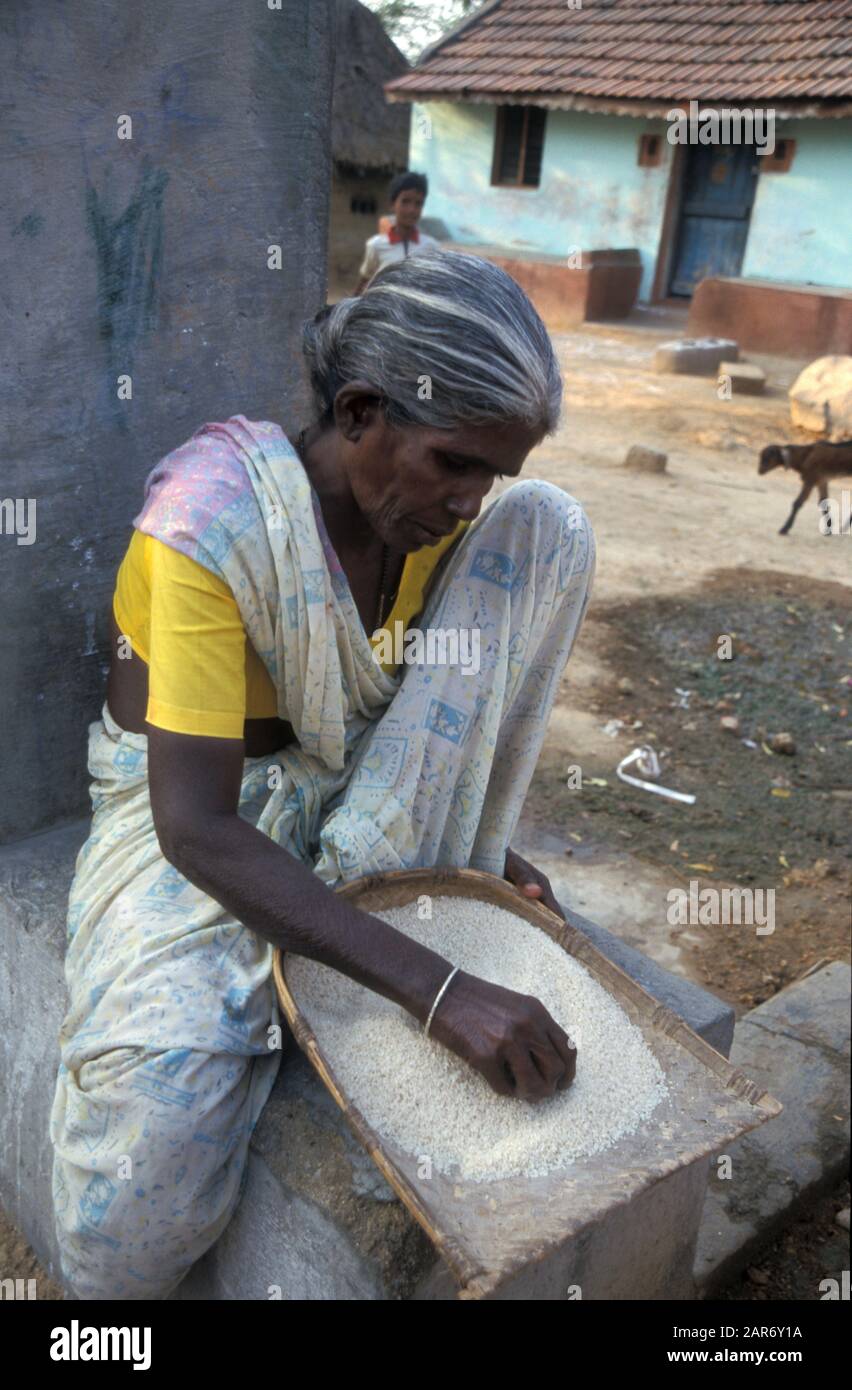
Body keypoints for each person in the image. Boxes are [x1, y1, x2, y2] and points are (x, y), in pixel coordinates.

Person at [49, 247, 596, 1300]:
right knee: (136, 1199)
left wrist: (475, 821)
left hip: (352, 775)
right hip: (209, 807)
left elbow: (417, 705)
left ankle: (422, 872)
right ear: (358, 413)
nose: (471, 502)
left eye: (494, 473)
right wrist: (437, 987)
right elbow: (195, 825)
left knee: (553, 528)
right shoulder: (209, 527)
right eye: (454, 464)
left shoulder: (450, 524)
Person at [353, 170, 437, 295]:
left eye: (418, 203)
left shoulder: (431, 247)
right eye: (405, 201)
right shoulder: (376, 245)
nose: (411, 210)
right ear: (392, 204)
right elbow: (365, 280)